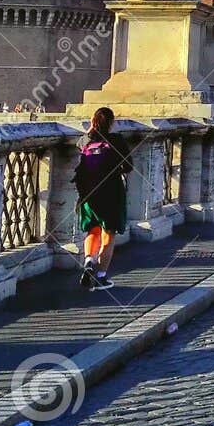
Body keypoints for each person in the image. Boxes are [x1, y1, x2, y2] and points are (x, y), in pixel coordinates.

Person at [73, 107, 129, 291]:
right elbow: (128, 166)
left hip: (89, 194)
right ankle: (101, 277)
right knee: (108, 233)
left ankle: (89, 260)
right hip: (111, 193)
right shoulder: (117, 141)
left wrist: (90, 131)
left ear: (93, 121)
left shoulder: (84, 141)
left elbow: (81, 150)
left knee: (92, 230)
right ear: (111, 123)